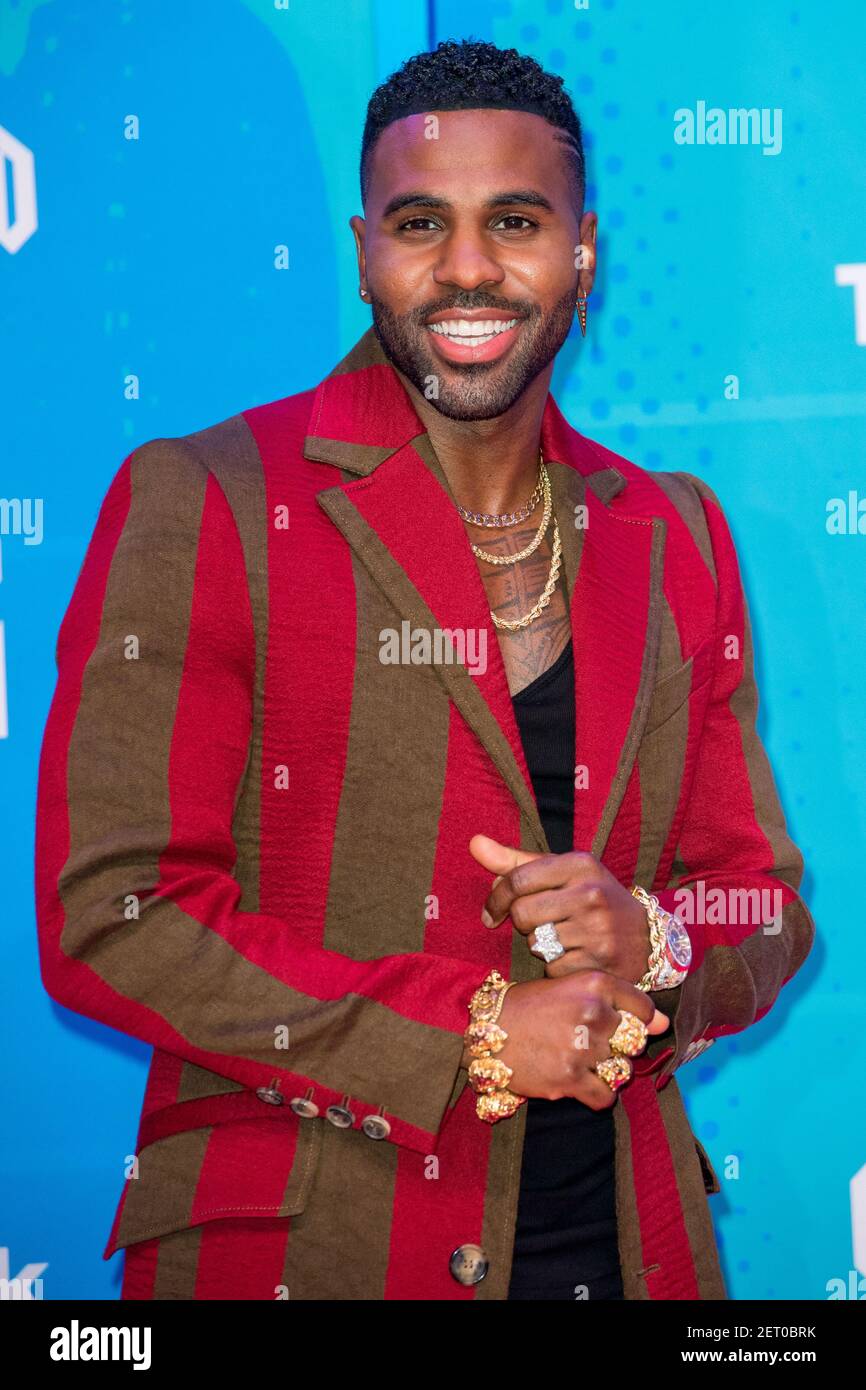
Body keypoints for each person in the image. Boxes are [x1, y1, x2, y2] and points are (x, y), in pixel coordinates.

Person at [34, 39, 815, 1301]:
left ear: (582, 250)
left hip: (624, 1245)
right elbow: (115, 913)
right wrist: (477, 1031)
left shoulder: (671, 531)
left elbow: (760, 901)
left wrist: (656, 941)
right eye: (418, 223)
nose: (464, 268)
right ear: (360, 251)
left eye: (513, 220)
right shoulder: (211, 500)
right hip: (315, 1246)